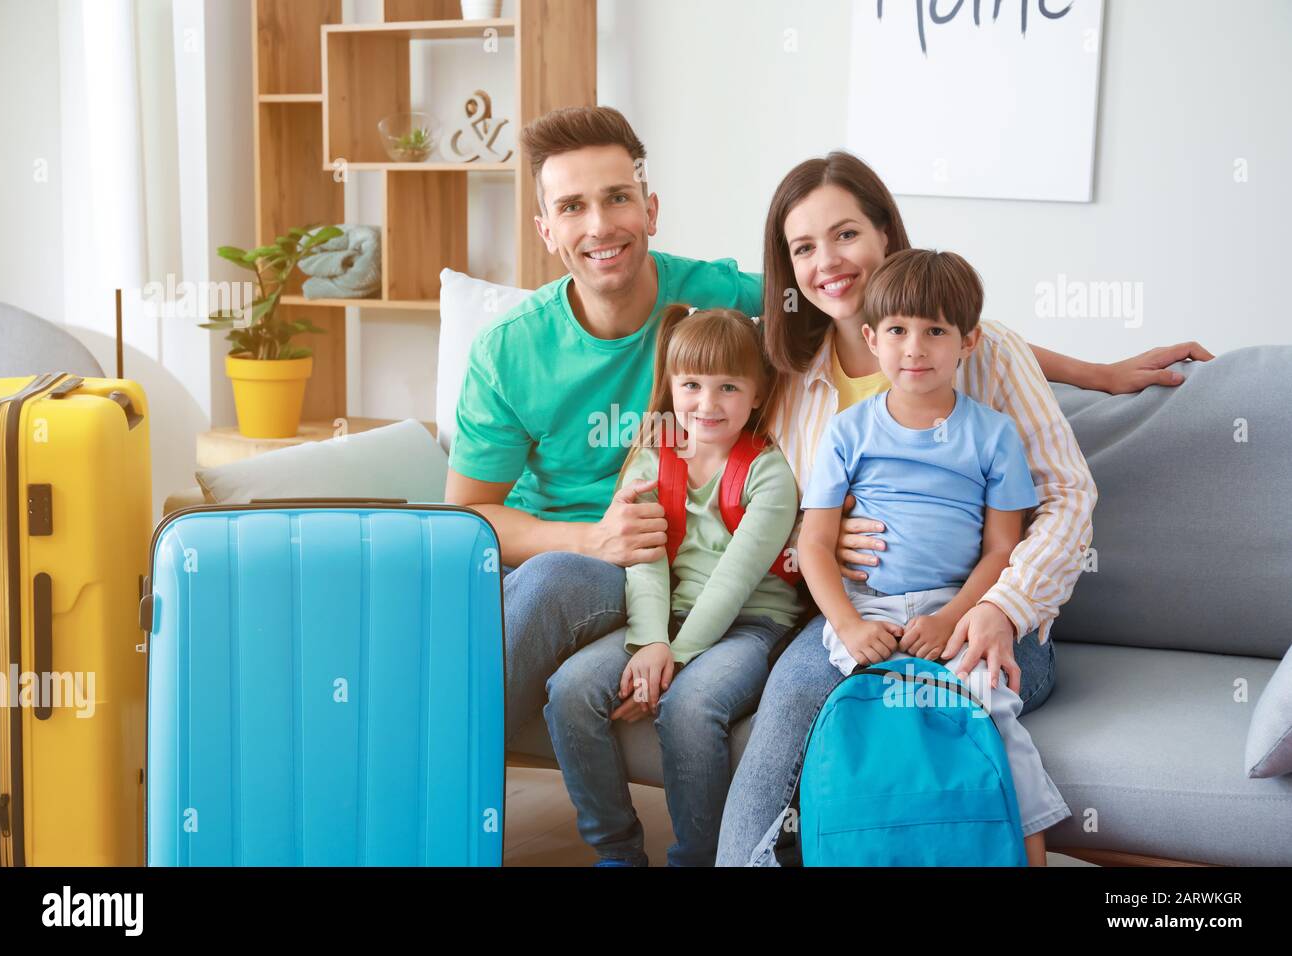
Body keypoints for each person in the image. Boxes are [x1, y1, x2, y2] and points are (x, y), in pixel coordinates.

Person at [443, 105, 1210, 760]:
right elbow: (467, 515)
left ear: (651, 206)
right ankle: (433, 777)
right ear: (546, 229)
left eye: (616, 198)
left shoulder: (720, 295)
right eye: (573, 207)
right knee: (544, 591)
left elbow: (923, 331)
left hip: (733, 571)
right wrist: (592, 541)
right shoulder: (514, 350)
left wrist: (1097, 374)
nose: (601, 224)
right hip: (597, 557)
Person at [715, 150, 1213, 866]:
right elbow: (785, 508)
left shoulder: (981, 354)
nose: (828, 261)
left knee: (930, 707)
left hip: (986, 606)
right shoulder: (795, 377)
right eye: (803, 247)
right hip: (863, 610)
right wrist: (817, 539)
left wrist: (1000, 608)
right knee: (796, 706)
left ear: (887, 234)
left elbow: (1068, 496)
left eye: (847, 233)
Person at [797, 248, 1071, 866]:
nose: (914, 347)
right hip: (868, 608)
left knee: (990, 710)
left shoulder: (993, 433)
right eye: (897, 330)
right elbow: (813, 543)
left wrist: (952, 620)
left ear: (967, 342)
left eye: (934, 331)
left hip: (960, 609)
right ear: (871, 338)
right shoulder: (847, 431)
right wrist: (848, 624)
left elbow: (1004, 547)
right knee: (875, 716)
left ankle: (1025, 855)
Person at [544, 305, 801, 867]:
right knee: (570, 689)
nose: (707, 404)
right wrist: (649, 642)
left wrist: (674, 658)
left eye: (728, 387)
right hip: (665, 619)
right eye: (691, 385)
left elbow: (735, 579)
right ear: (671, 386)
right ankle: (616, 852)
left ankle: (698, 858)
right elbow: (646, 560)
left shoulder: (770, 473)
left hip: (752, 624)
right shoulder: (651, 458)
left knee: (689, 706)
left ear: (757, 394)